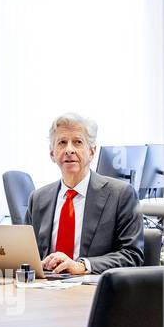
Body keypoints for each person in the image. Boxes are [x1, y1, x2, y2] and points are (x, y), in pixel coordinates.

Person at [24, 112, 143, 274]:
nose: (69, 150)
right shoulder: (38, 198)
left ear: (92, 151)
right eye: (62, 142)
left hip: (93, 290)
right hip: (45, 290)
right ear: (52, 154)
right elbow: (24, 254)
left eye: (78, 142)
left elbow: (132, 255)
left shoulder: (121, 195)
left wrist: (82, 265)